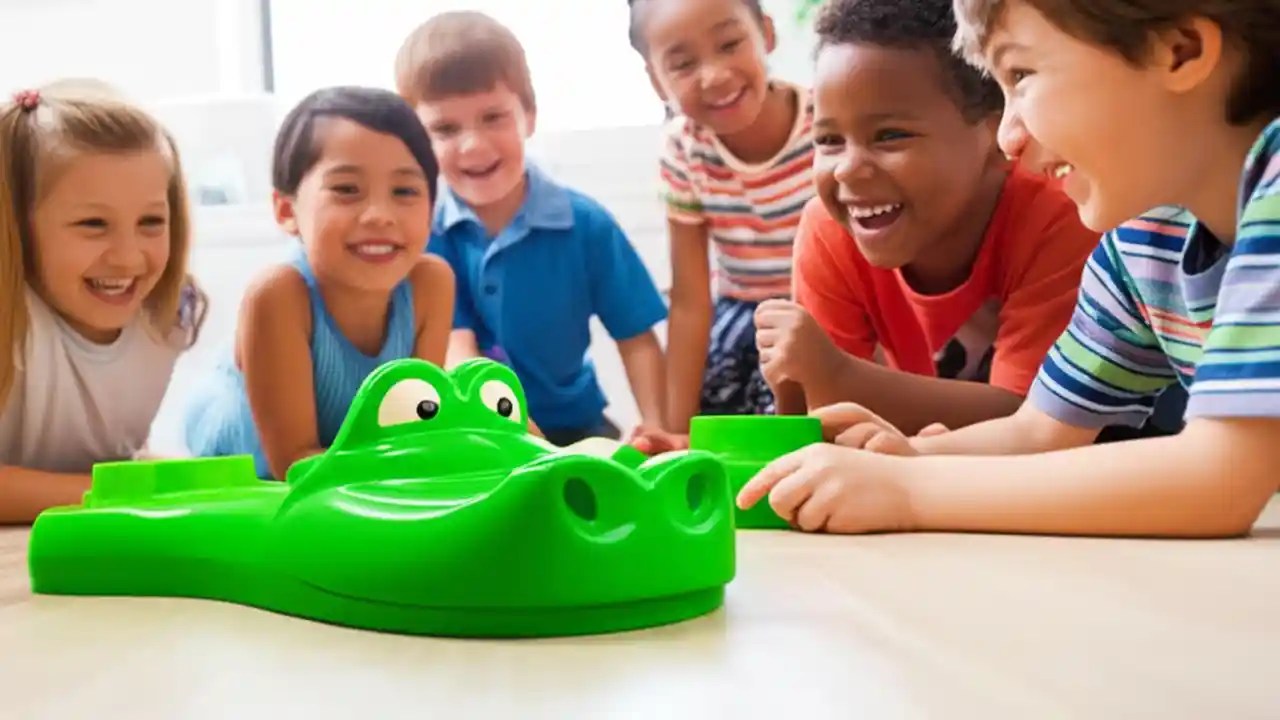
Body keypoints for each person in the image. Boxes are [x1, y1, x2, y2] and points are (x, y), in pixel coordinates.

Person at [737, 0, 1280, 537]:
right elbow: (1040, 431)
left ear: (1179, 52)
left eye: (1021, 76)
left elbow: (1222, 477)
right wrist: (908, 457)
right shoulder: (1147, 237)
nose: (1007, 137)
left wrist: (908, 490)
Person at [754, 0, 1099, 440]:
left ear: (997, 135)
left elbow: (1037, 423)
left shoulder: (1059, 214)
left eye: (890, 136)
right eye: (829, 140)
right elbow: (821, 421)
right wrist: (800, 381)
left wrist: (840, 376)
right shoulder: (830, 232)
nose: (846, 169)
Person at [398, 11, 668, 446]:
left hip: (577, 429)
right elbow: (456, 352)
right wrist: (518, 441)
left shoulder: (587, 225)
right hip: (480, 429)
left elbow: (636, 338)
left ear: (529, 115)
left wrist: (658, 425)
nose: (473, 145)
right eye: (445, 129)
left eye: (493, 117)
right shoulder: (426, 236)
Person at [183, 87, 455, 480]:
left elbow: (415, 429)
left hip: (348, 466)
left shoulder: (432, 284)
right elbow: (294, 465)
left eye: (404, 191)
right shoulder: (278, 295)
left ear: (431, 208)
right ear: (286, 209)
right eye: (346, 190)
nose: (379, 215)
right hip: (249, 469)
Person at [0, 81, 206, 522]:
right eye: (93, 224)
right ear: (17, 226)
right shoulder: (11, 321)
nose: (128, 257)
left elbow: (109, 454)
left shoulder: (165, 317)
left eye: (151, 222)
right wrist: (119, 493)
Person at [628, 0, 817, 442]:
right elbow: (691, 301)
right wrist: (677, 432)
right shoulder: (683, 150)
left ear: (766, 34)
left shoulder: (825, 123)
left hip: (827, 304)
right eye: (683, 64)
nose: (713, 75)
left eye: (730, 44)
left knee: (802, 413)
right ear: (656, 81)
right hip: (742, 316)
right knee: (721, 427)